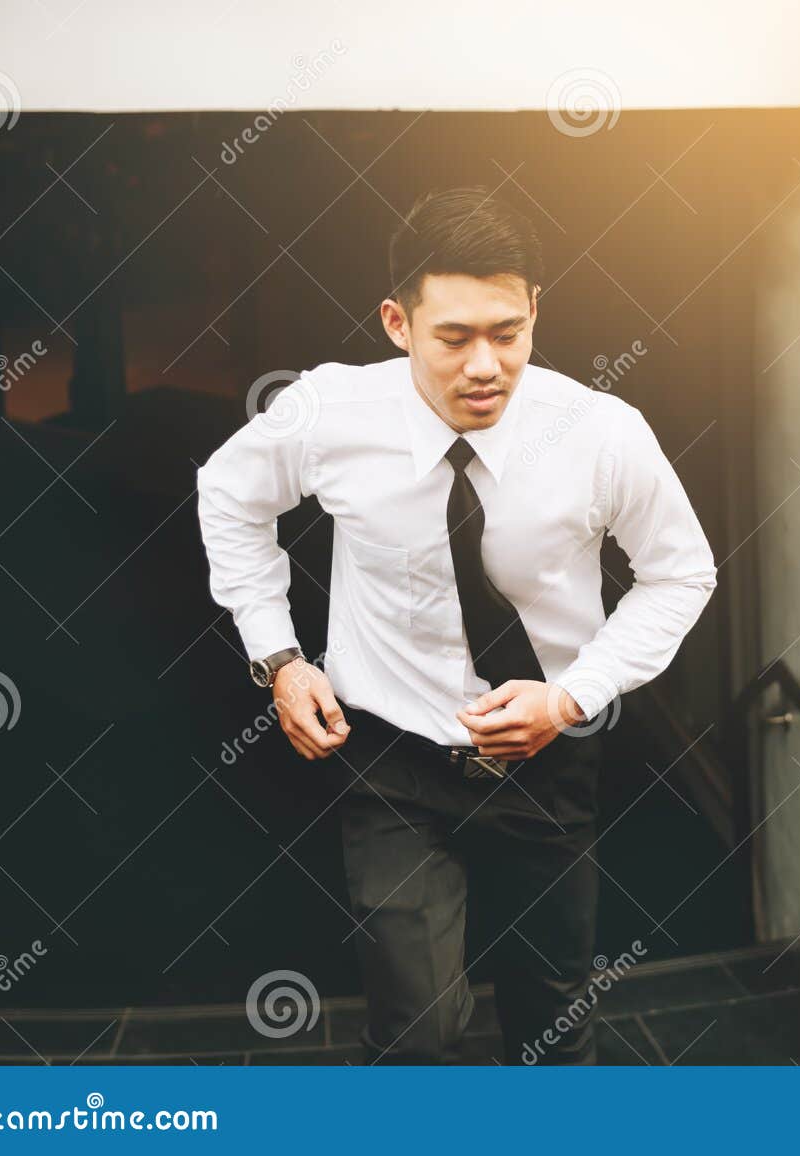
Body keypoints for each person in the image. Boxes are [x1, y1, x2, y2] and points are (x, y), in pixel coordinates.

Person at [195, 186, 716, 1064]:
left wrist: (573, 697)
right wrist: (278, 657)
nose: (485, 365)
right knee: (418, 1033)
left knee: (555, 1020)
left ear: (535, 313)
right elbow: (228, 494)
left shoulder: (599, 432)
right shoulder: (330, 413)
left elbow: (681, 573)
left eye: (507, 333)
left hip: (551, 763)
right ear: (398, 323)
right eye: (454, 337)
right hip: (395, 764)